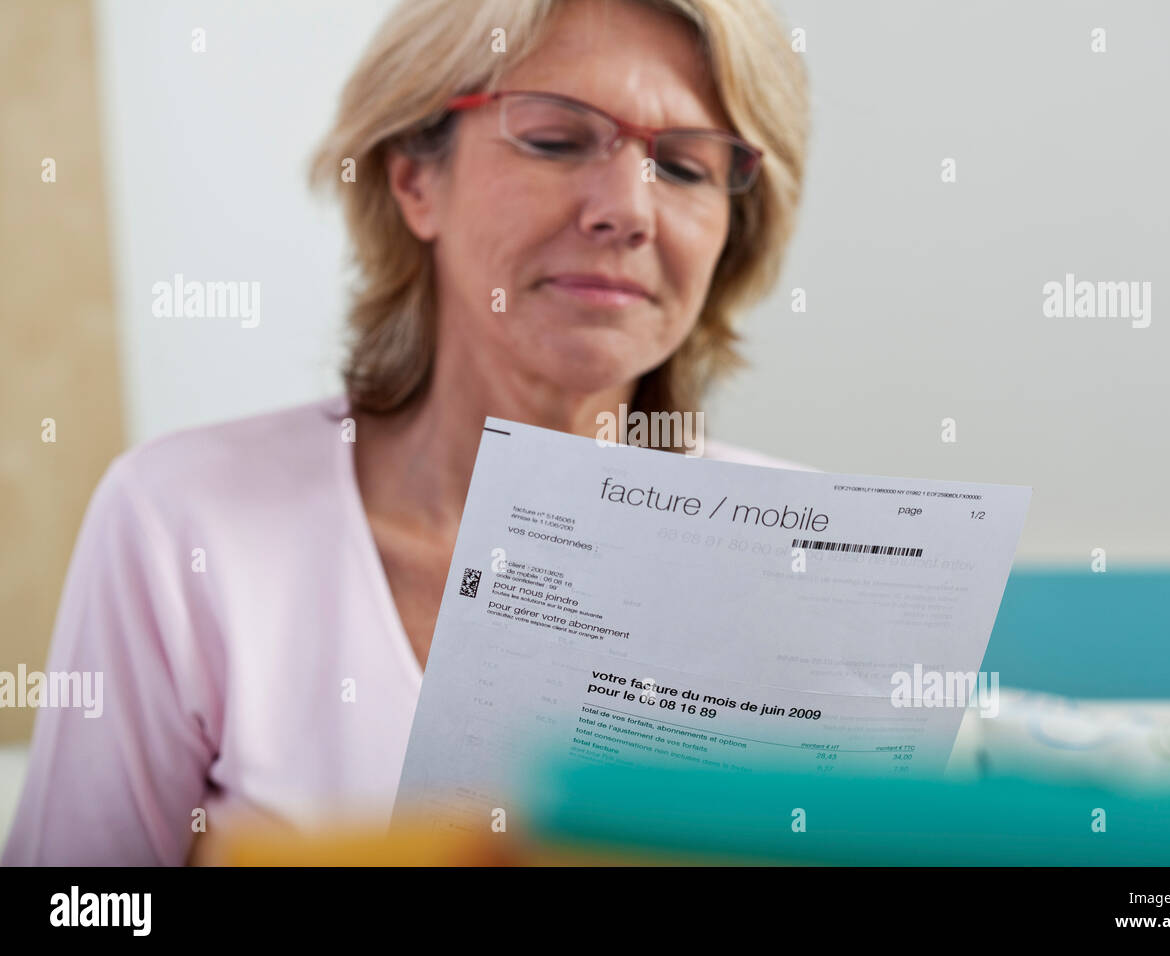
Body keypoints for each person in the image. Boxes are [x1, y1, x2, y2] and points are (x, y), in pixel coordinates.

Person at [2, 0, 811, 865]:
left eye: (685, 167)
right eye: (556, 140)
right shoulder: (181, 525)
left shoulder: (800, 562)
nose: (627, 209)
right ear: (414, 181)